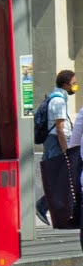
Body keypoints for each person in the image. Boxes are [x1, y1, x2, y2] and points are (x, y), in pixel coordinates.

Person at [39, 70, 79, 229]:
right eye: (74, 83)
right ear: (65, 84)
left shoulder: (54, 97)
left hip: (53, 142)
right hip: (57, 143)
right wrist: (66, 151)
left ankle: (47, 207)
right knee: (61, 179)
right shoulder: (59, 101)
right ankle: (43, 206)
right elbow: (60, 129)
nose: (76, 86)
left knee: (58, 179)